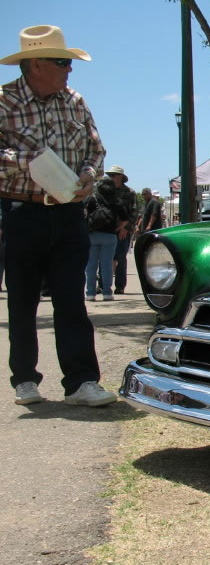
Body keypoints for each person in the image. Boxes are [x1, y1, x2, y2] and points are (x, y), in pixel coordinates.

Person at [0, 24, 116, 406]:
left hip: (69, 213)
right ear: (36, 64)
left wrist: (89, 175)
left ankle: (81, 382)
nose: (70, 69)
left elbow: (96, 150)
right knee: (22, 300)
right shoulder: (4, 101)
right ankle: (25, 379)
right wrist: (27, 161)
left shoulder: (75, 101)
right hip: (22, 212)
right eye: (62, 62)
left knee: (71, 299)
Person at [84, 171, 129, 301]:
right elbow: (125, 219)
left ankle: (90, 293)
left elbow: (84, 213)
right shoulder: (117, 201)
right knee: (107, 265)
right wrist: (118, 228)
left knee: (91, 265)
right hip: (109, 236)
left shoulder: (93, 198)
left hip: (92, 235)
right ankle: (107, 293)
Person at [101, 165, 136, 294]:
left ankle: (120, 286)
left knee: (120, 258)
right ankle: (103, 285)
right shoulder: (105, 191)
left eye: (113, 175)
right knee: (104, 258)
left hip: (123, 231)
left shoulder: (129, 192)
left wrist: (126, 228)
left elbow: (134, 212)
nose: (110, 177)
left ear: (120, 177)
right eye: (109, 175)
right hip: (107, 229)